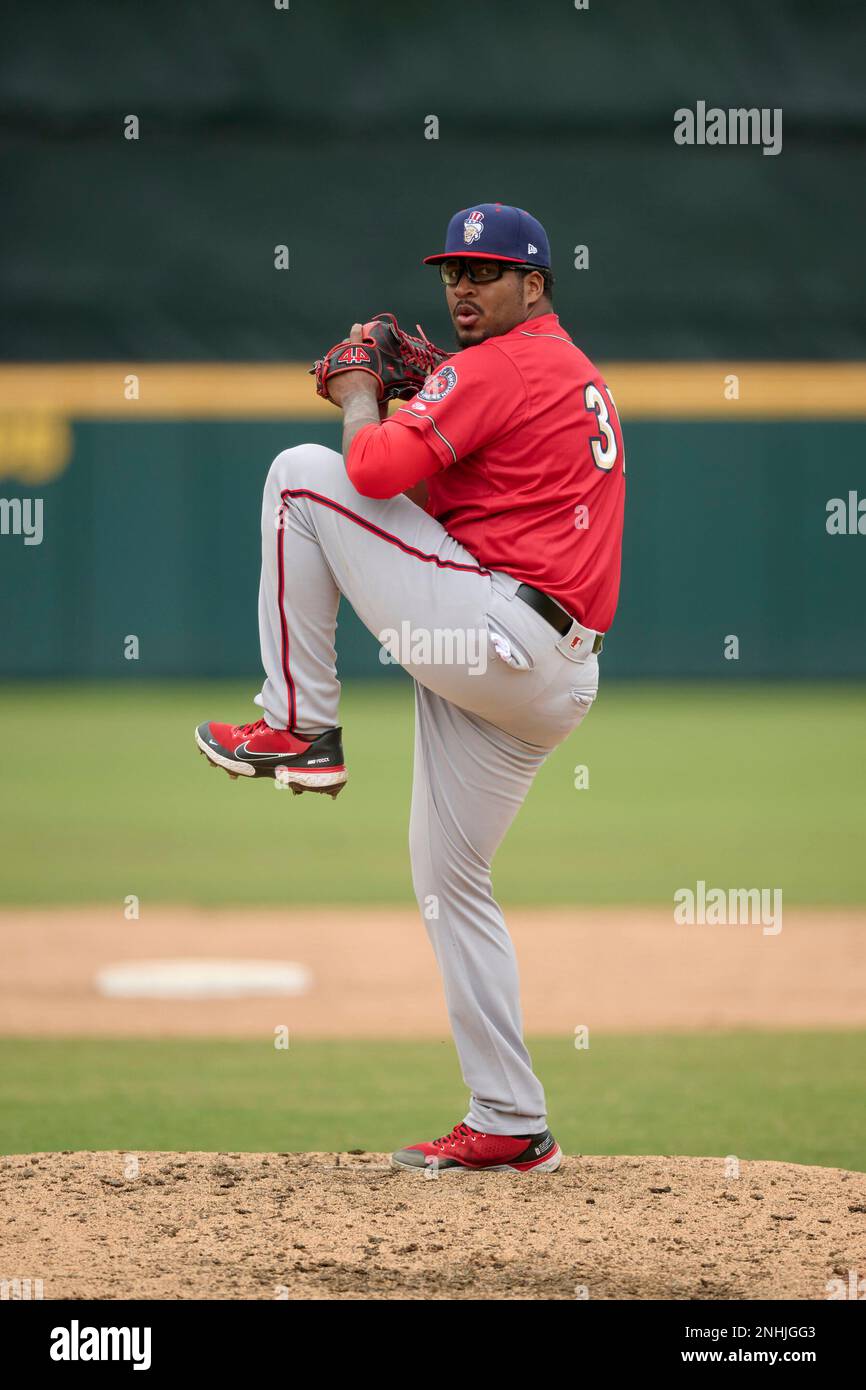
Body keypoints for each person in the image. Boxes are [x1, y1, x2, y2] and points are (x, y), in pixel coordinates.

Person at [195, 203, 626, 1173]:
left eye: (486, 271)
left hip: (499, 634)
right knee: (448, 882)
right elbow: (438, 499)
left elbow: (373, 465)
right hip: (547, 671)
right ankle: (510, 1118)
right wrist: (424, 393)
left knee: (302, 476)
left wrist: (359, 392)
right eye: (452, 272)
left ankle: (297, 723)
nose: (464, 288)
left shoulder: (502, 366)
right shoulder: (559, 372)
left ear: (535, 285)